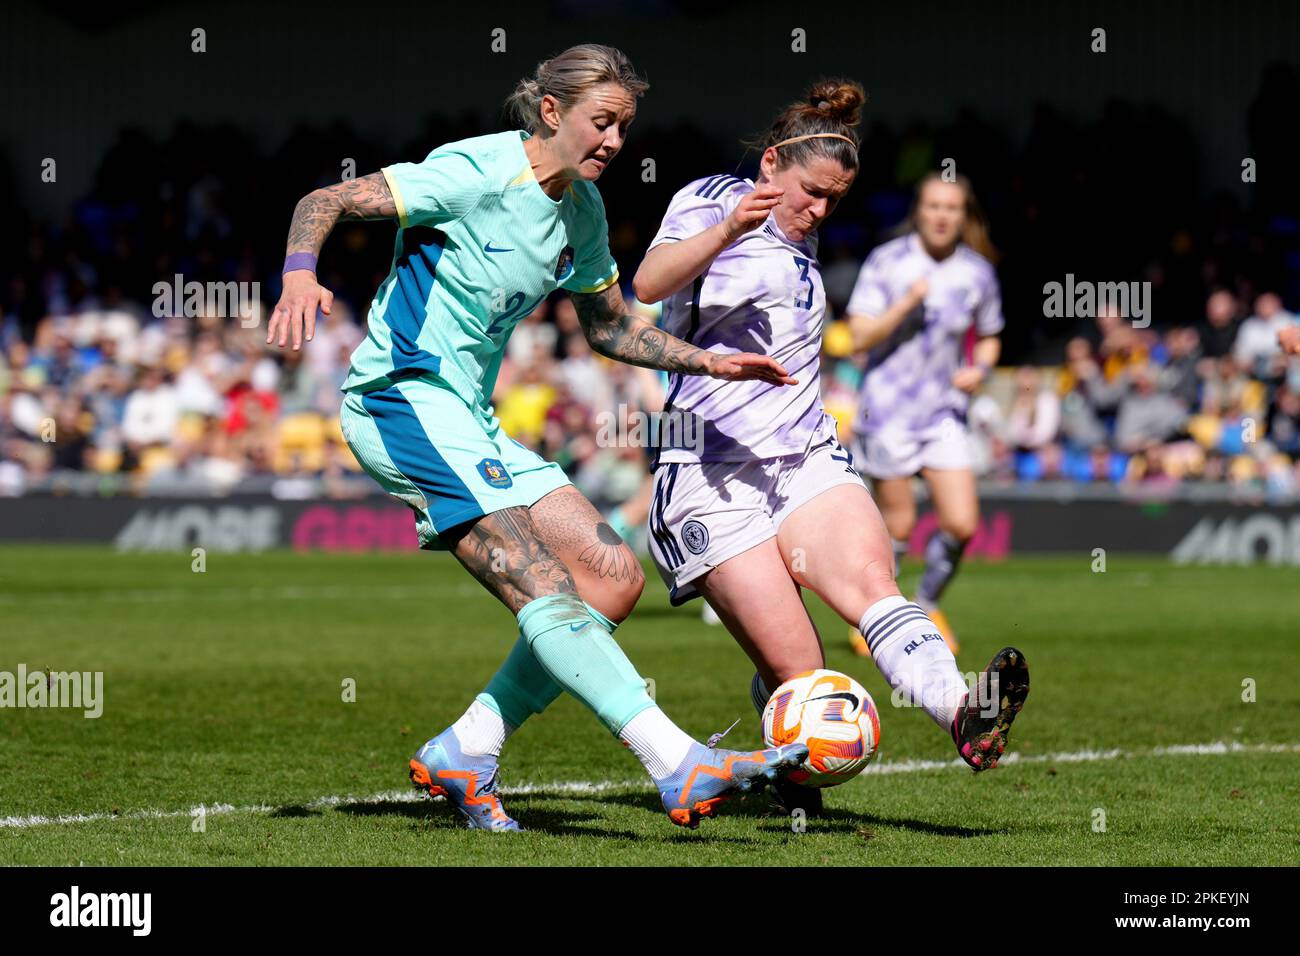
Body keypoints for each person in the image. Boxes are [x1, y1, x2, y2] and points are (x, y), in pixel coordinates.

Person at [266, 44, 806, 832]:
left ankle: (466, 748)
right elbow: (325, 199)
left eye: (625, 126)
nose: (615, 141)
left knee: (613, 577)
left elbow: (611, 327)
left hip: (471, 420)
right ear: (551, 112)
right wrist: (297, 272)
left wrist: (710, 361)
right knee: (541, 582)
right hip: (399, 401)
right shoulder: (475, 173)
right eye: (602, 121)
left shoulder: (581, 212)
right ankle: (678, 764)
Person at [633, 80, 1028, 815]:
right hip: (710, 476)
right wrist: (728, 229)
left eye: (834, 201)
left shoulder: (802, 231)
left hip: (806, 458)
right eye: (810, 192)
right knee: (802, 670)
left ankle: (962, 714)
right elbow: (648, 285)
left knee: (874, 586)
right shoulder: (713, 198)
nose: (818, 211)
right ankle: (792, 768)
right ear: (773, 162)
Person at [844, 172, 1003, 656]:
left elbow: (992, 334)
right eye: (933, 206)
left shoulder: (977, 271)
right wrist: (907, 303)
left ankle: (926, 603)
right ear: (919, 211)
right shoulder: (888, 263)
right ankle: (875, 618)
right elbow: (859, 337)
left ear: (963, 215)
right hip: (887, 413)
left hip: (943, 415)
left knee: (962, 524)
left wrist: (982, 368)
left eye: (951, 208)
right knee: (899, 527)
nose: (941, 216)